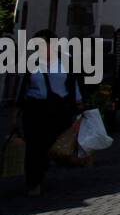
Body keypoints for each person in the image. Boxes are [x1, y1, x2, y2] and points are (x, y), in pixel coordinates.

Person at [12, 30, 84, 196]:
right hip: (35, 109)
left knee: (50, 145)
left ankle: (41, 171)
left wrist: (79, 106)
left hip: (58, 110)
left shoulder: (65, 63)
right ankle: (33, 182)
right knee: (33, 146)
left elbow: (73, 85)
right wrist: (15, 117)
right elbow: (22, 90)